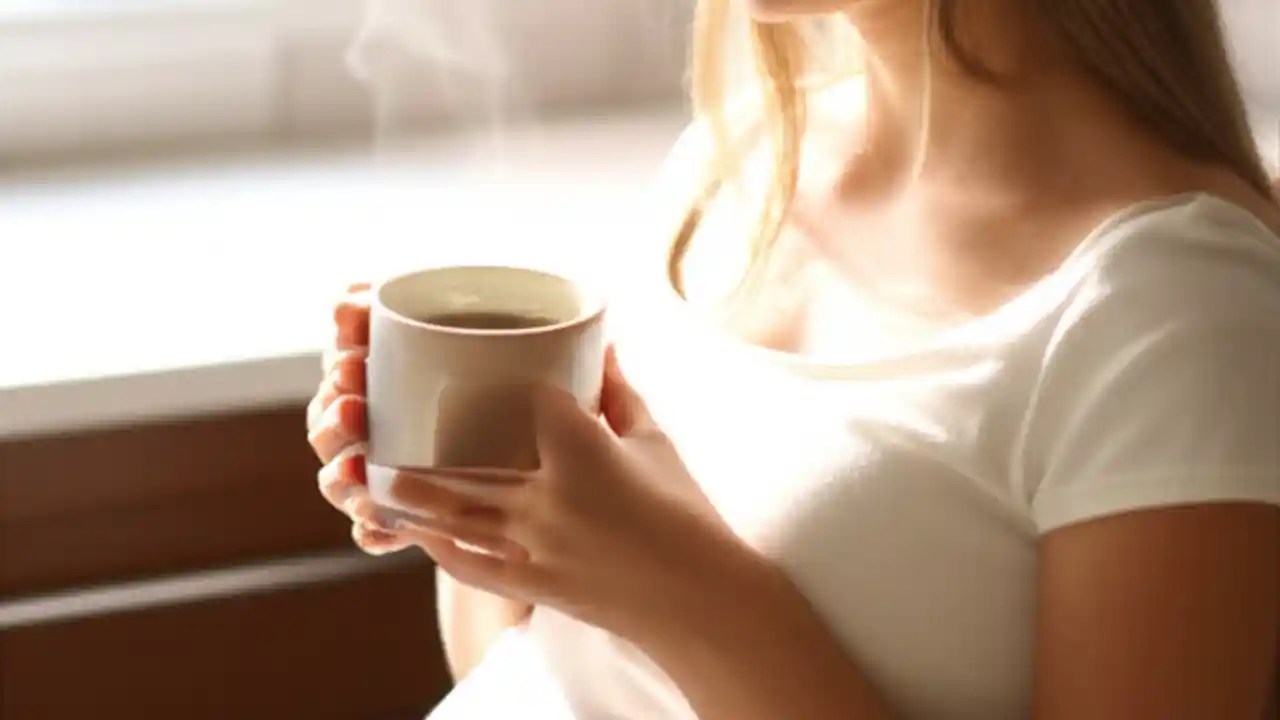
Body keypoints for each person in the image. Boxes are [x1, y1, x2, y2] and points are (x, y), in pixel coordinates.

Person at [307, 1, 1280, 717]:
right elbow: (536, 678)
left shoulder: (1171, 310)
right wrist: (468, 501)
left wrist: (682, 589)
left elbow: (660, 611)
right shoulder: (737, 170)